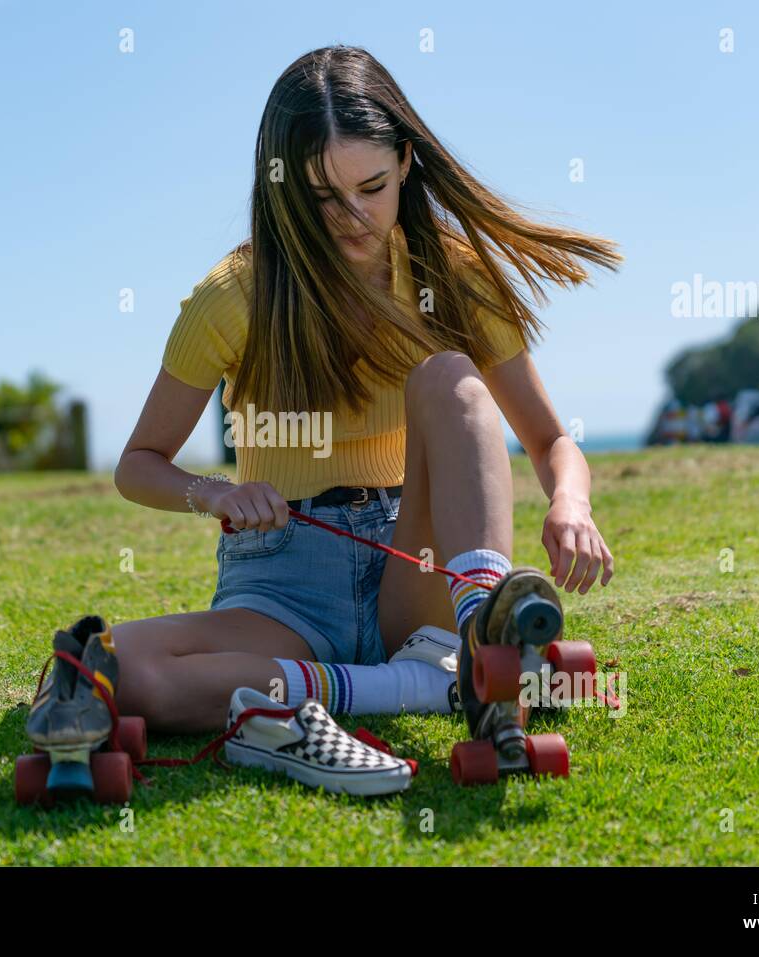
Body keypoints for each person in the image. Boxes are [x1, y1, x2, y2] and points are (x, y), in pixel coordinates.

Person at [103, 45, 621, 738]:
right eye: (322, 196)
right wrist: (217, 493)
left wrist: (570, 503)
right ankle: (431, 684)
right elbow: (138, 463)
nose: (351, 215)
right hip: (283, 589)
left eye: (372, 187)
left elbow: (553, 441)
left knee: (451, 378)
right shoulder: (235, 294)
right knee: (116, 668)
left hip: (422, 571)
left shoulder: (452, 274)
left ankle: (479, 630)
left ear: (406, 161)